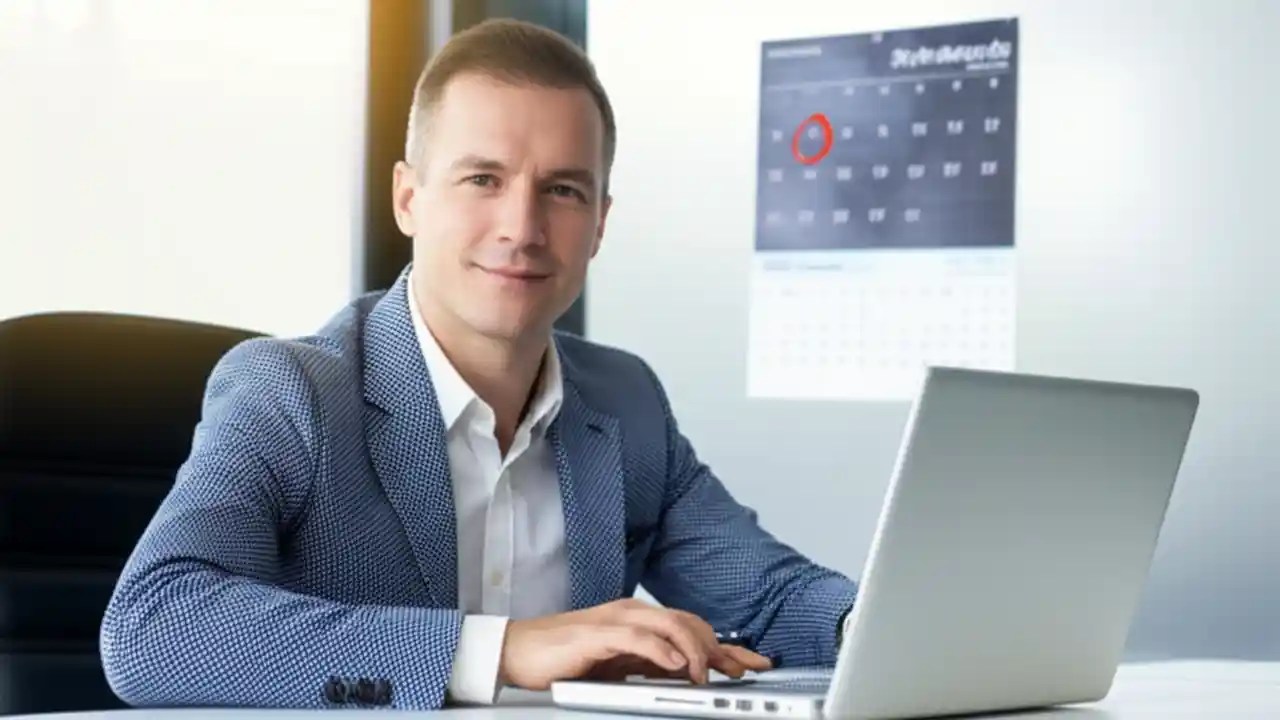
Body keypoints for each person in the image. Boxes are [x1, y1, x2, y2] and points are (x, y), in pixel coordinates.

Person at [99, 18, 858, 711]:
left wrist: (891, 627)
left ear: (598, 226)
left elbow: (771, 599)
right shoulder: (290, 391)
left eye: (562, 190)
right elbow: (152, 625)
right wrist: (503, 649)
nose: (522, 228)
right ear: (408, 199)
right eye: (482, 179)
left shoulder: (626, 404)